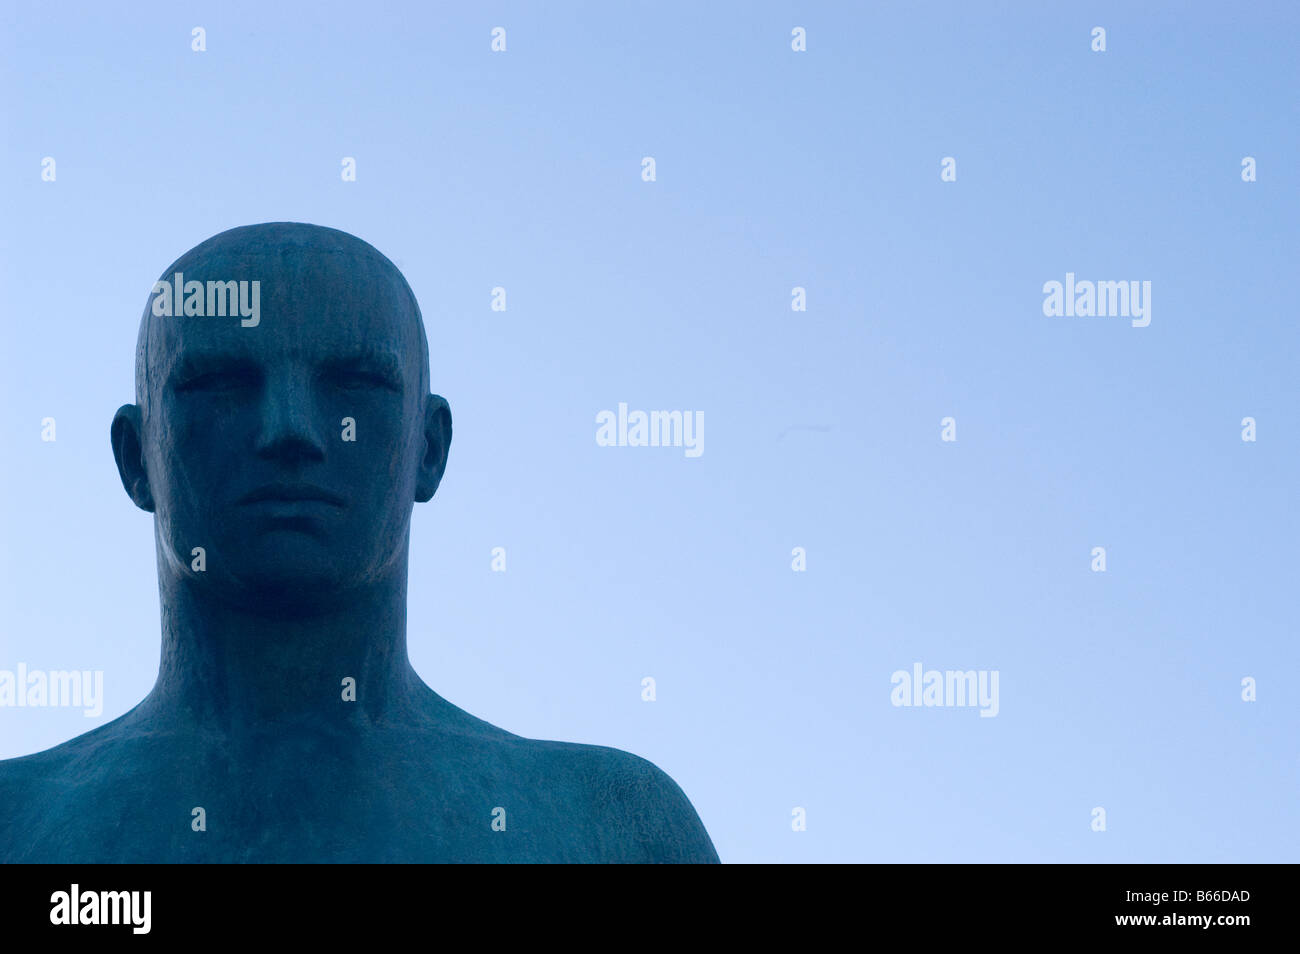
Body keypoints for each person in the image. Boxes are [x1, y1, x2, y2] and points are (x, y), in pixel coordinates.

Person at [0, 222, 719, 863]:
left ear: (428, 449)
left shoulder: (612, 830)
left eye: (354, 383)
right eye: (221, 383)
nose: (290, 429)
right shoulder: (15, 822)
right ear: (136, 459)